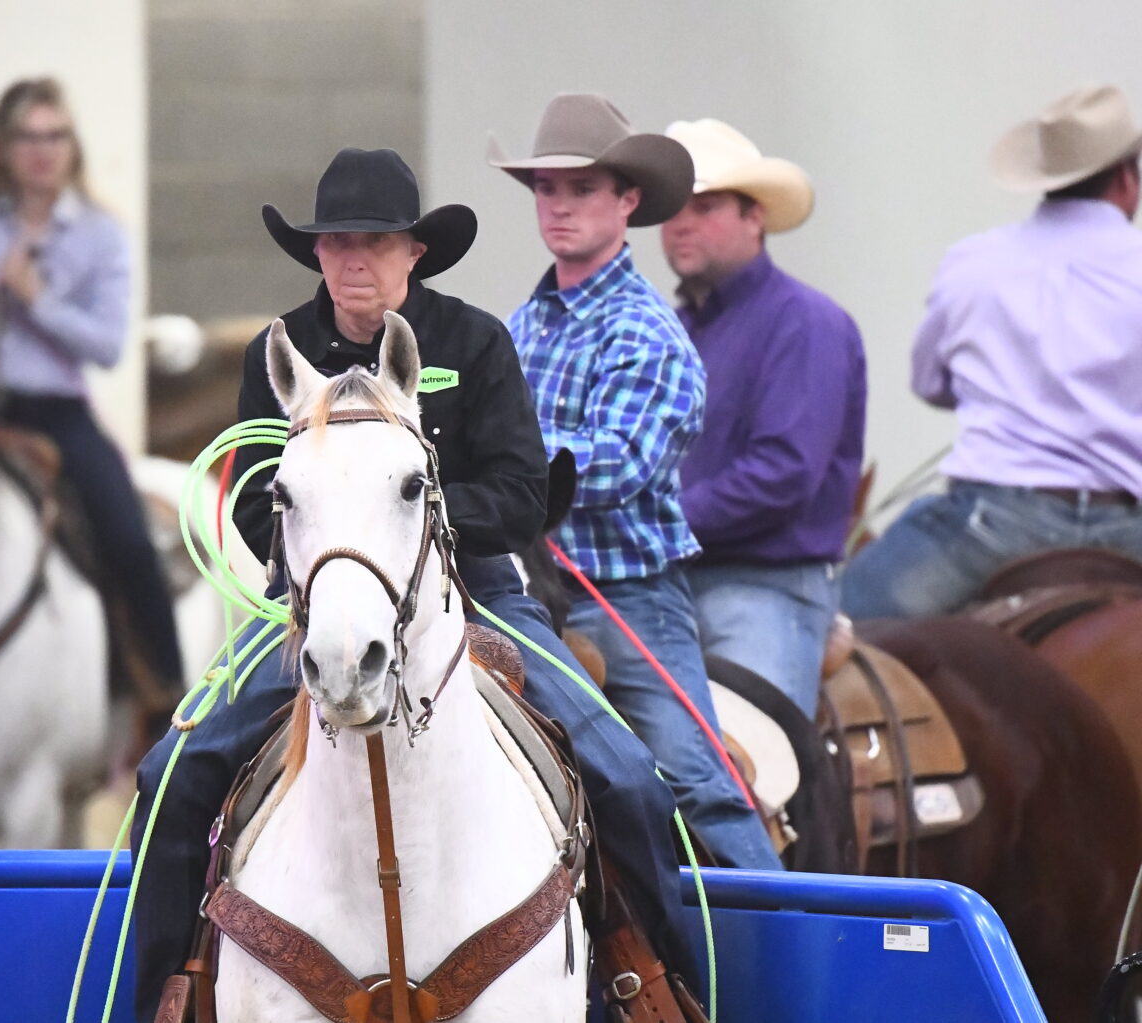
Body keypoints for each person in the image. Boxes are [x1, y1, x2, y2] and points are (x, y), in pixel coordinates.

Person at [129, 146, 698, 1022]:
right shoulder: (273, 355)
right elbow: (252, 500)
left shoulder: (474, 342)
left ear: (414, 251)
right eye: (336, 243)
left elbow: (518, 497)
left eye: (376, 241)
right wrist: (336, 551)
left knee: (630, 776)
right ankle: (164, 993)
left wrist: (414, 521)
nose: (355, 259)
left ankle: (657, 988)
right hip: (316, 603)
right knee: (173, 771)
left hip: (476, 595)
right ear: (314, 255)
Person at [492, 92, 781, 869]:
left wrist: (505, 457)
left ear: (627, 201)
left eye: (581, 188)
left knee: (695, 778)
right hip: (519, 590)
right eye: (546, 189)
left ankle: (790, 942)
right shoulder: (521, 325)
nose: (558, 206)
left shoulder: (648, 331)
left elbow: (618, 461)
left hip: (623, 597)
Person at [841, 83, 1142, 619]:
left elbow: (930, 383)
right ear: (1126, 177)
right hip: (1128, 529)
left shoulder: (975, 263)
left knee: (832, 632)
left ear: (1046, 179)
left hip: (993, 523)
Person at [0, 77, 184, 710]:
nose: (42, 150)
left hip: (57, 412)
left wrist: (35, 300)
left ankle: (165, 690)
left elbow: (106, 345)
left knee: (128, 538)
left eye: (56, 136)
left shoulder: (102, 233)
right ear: (3, 147)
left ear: (73, 147)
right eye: (27, 136)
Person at [659, 118, 866, 717]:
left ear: (756, 216)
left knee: (753, 762)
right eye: (674, 207)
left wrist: (652, 521)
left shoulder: (805, 321)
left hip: (766, 584)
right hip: (667, 583)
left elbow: (782, 473)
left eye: (707, 204)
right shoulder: (668, 330)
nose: (682, 222)